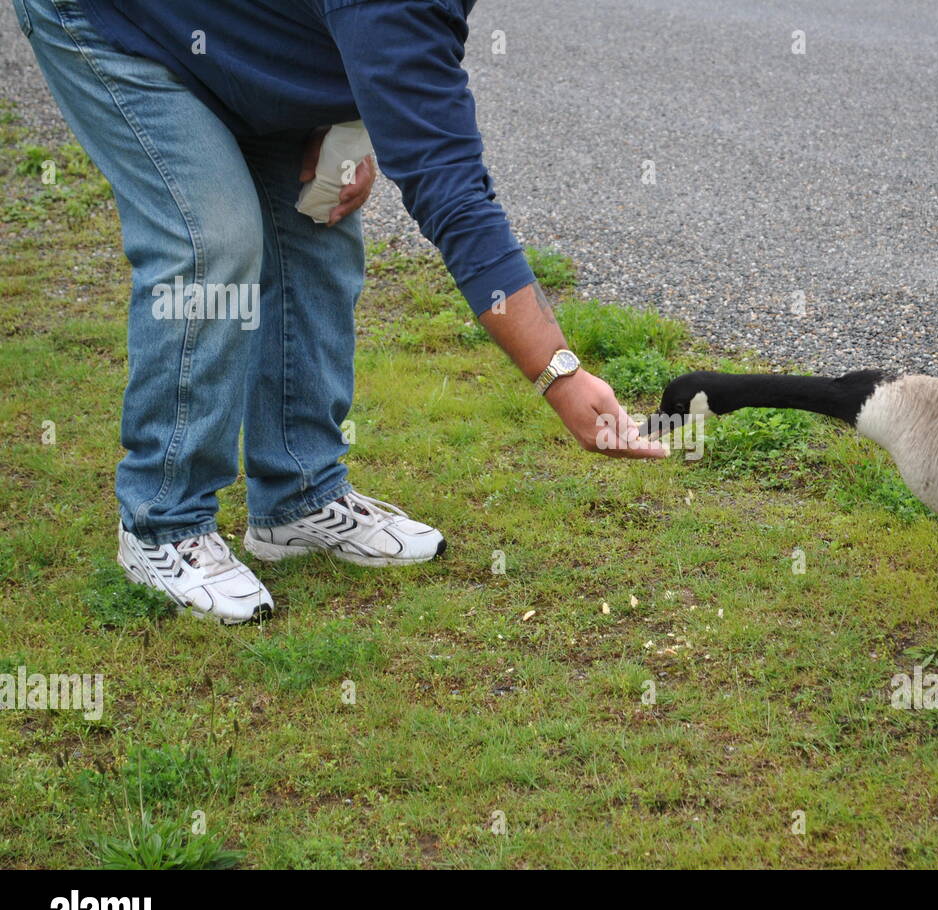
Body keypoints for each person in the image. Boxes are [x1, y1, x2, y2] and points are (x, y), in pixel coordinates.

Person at [13, 0, 665, 624]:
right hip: (112, 18)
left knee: (317, 217)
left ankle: (298, 497)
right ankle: (164, 525)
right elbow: (450, 185)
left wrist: (347, 125)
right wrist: (558, 374)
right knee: (211, 241)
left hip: (232, 31)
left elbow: (375, 45)